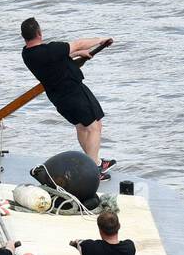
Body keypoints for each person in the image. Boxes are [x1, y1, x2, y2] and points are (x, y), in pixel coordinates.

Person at [20, 17, 117, 179]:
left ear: (24, 37)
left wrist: (78, 54)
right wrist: (101, 40)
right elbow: (77, 44)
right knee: (93, 127)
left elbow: (56, 59)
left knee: (84, 126)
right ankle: (93, 171)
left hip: (59, 96)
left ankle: (95, 162)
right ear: (39, 33)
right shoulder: (50, 50)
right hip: (73, 91)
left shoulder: (27, 54)